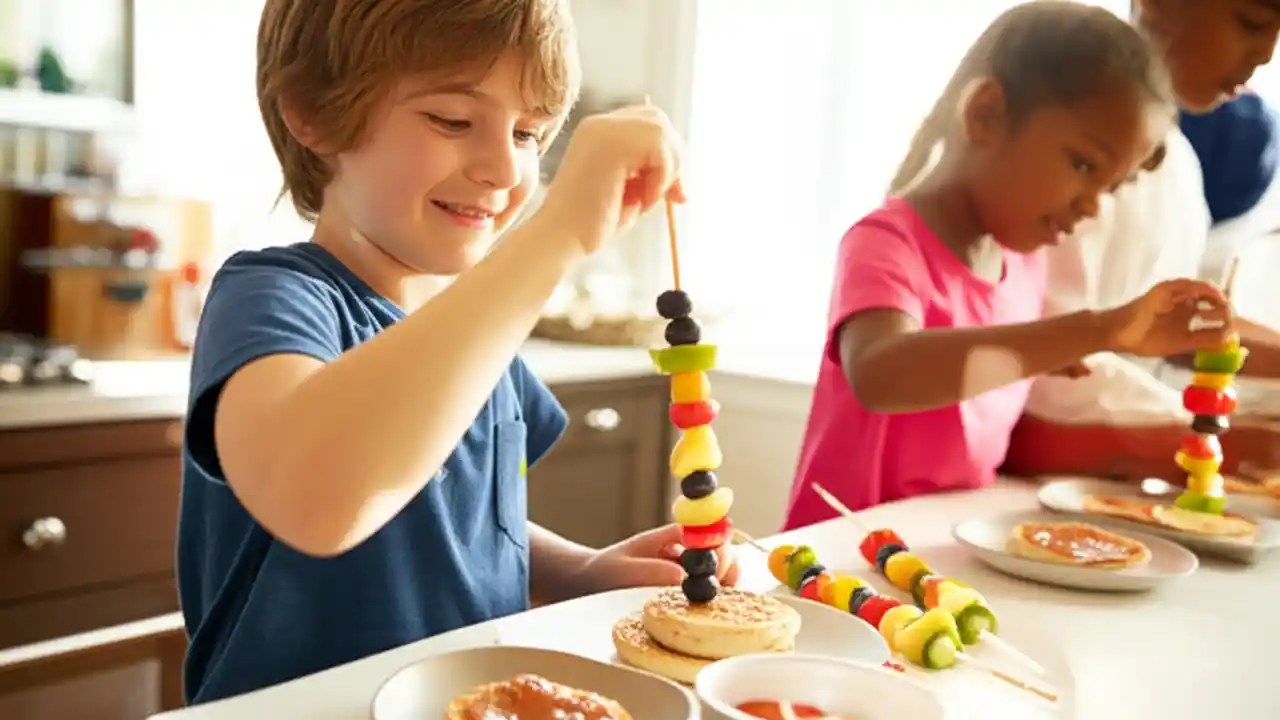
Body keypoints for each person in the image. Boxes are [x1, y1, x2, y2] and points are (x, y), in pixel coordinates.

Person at [176, 0, 735, 705]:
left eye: (529, 134)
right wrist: (556, 233)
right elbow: (319, 499)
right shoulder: (272, 296)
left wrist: (578, 570)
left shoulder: (479, 332)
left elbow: (457, 523)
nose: (504, 169)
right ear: (313, 113)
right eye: (451, 120)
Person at [781, 1, 1237, 529]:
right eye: (1083, 164)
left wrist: (1056, 350)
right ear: (986, 115)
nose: (1093, 206)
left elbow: (978, 376)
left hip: (936, 554)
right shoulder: (886, 242)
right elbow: (882, 374)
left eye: (1110, 187)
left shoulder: (1024, 268)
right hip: (838, 560)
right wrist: (1092, 330)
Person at [1009, 0, 1280, 483]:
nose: (1266, 54)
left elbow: (1171, 327)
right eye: (1252, 23)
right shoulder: (1061, 149)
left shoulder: (1179, 164)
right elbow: (1038, 371)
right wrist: (1196, 433)